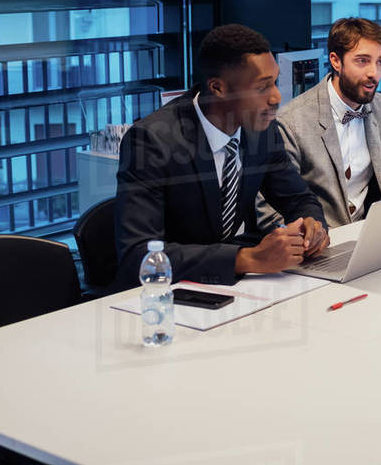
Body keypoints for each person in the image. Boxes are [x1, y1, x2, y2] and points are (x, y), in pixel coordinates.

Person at [114, 24, 329, 289]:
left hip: (240, 291)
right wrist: (247, 259)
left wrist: (312, 227)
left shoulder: (261, 129)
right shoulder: (151, 141)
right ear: (218, 88)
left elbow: (298, 199)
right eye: (262, 87)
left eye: (275, 81)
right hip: (169, 295)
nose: (276, 97)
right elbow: (139, 256)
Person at [259, 17, 381, 229]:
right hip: (319, 244)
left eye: (379, 62)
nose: (373, 73)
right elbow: (270, 212)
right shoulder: (292, 121)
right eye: (362, 61)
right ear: (336, 61)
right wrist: (309, 240)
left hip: (370, 234)